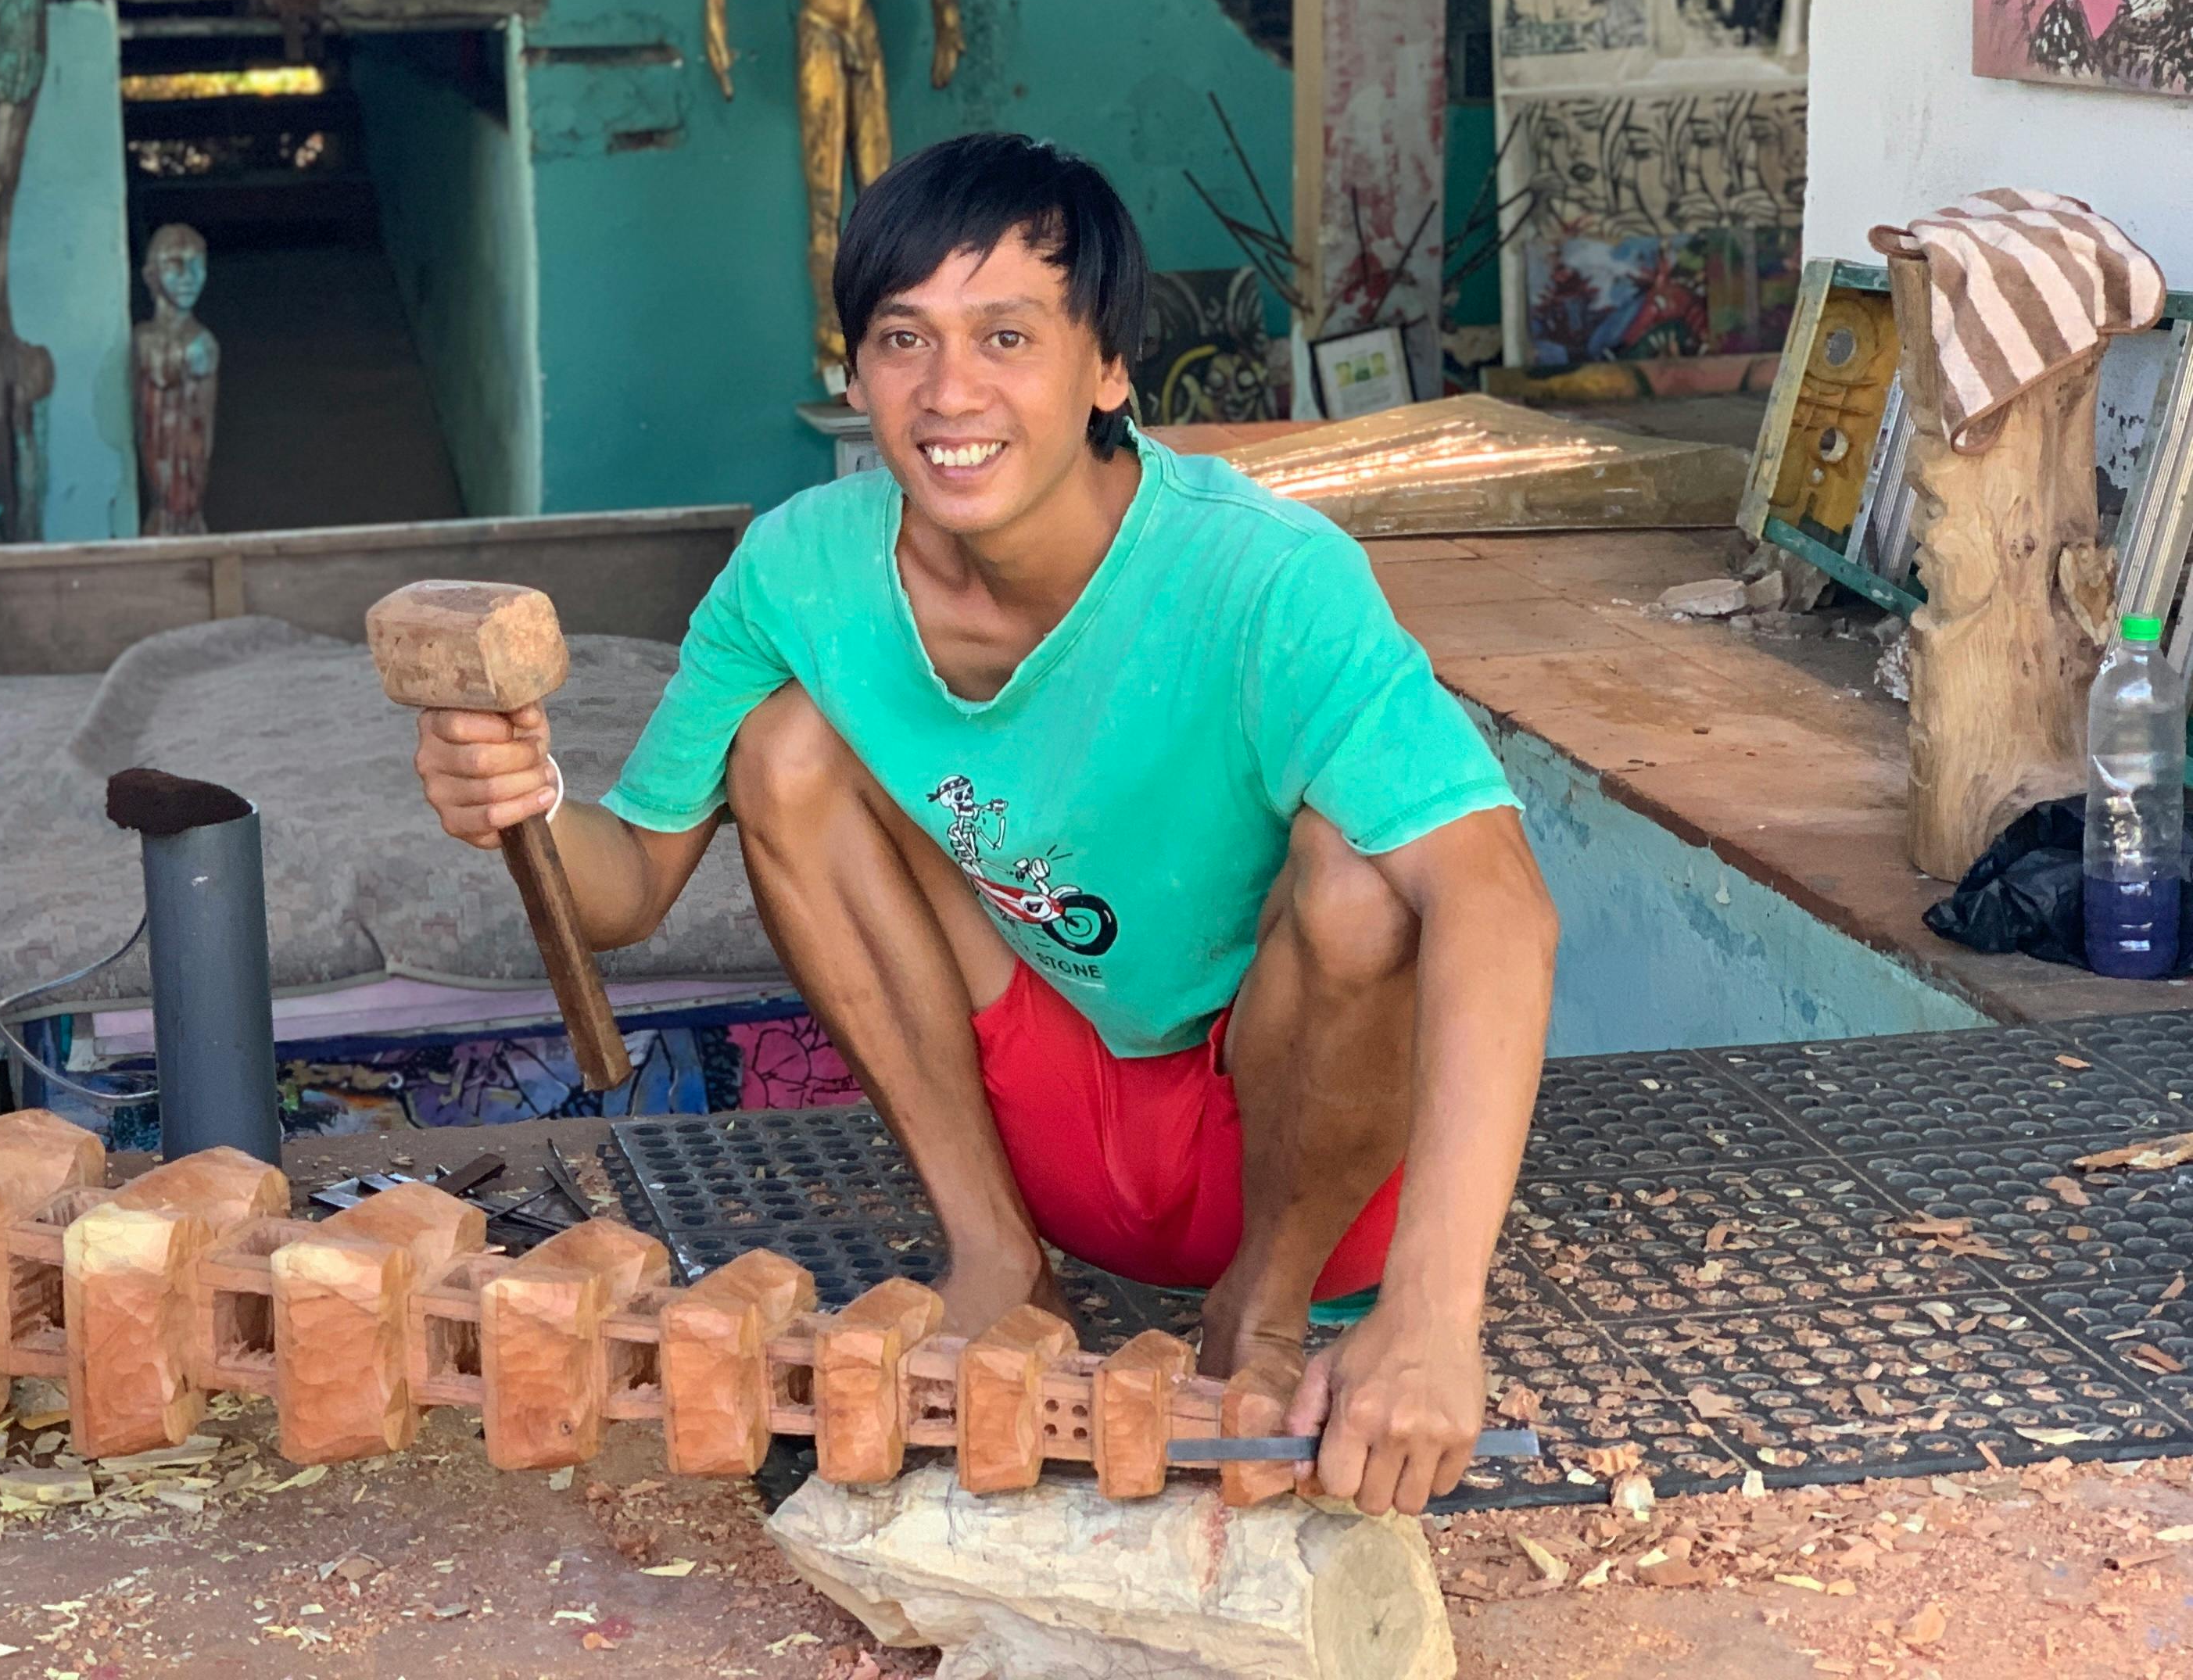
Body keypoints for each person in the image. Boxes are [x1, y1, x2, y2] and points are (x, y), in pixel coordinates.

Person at [408, 133, 1557, 1516]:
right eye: (905, 339)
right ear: (855, 373)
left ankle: (1260, 1308)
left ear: (1108, 369)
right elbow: (625, 889)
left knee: (1373, 877)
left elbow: (1500, 902)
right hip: (1046, 1124)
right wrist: (521, 802)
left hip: (1290, 1146)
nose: (950, 394)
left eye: (1006, 335)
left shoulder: (1265, 579)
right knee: (783, 752)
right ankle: (998, 1257)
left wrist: (1436, 1319)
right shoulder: (801, 570)